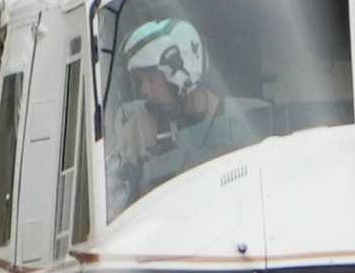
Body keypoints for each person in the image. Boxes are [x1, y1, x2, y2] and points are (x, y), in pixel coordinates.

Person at [109, 18, 256, 208]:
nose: (144, 90)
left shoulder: (246, 119)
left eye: (151, 79)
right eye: (139, 81)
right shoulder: (136, 127)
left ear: (183, 74)